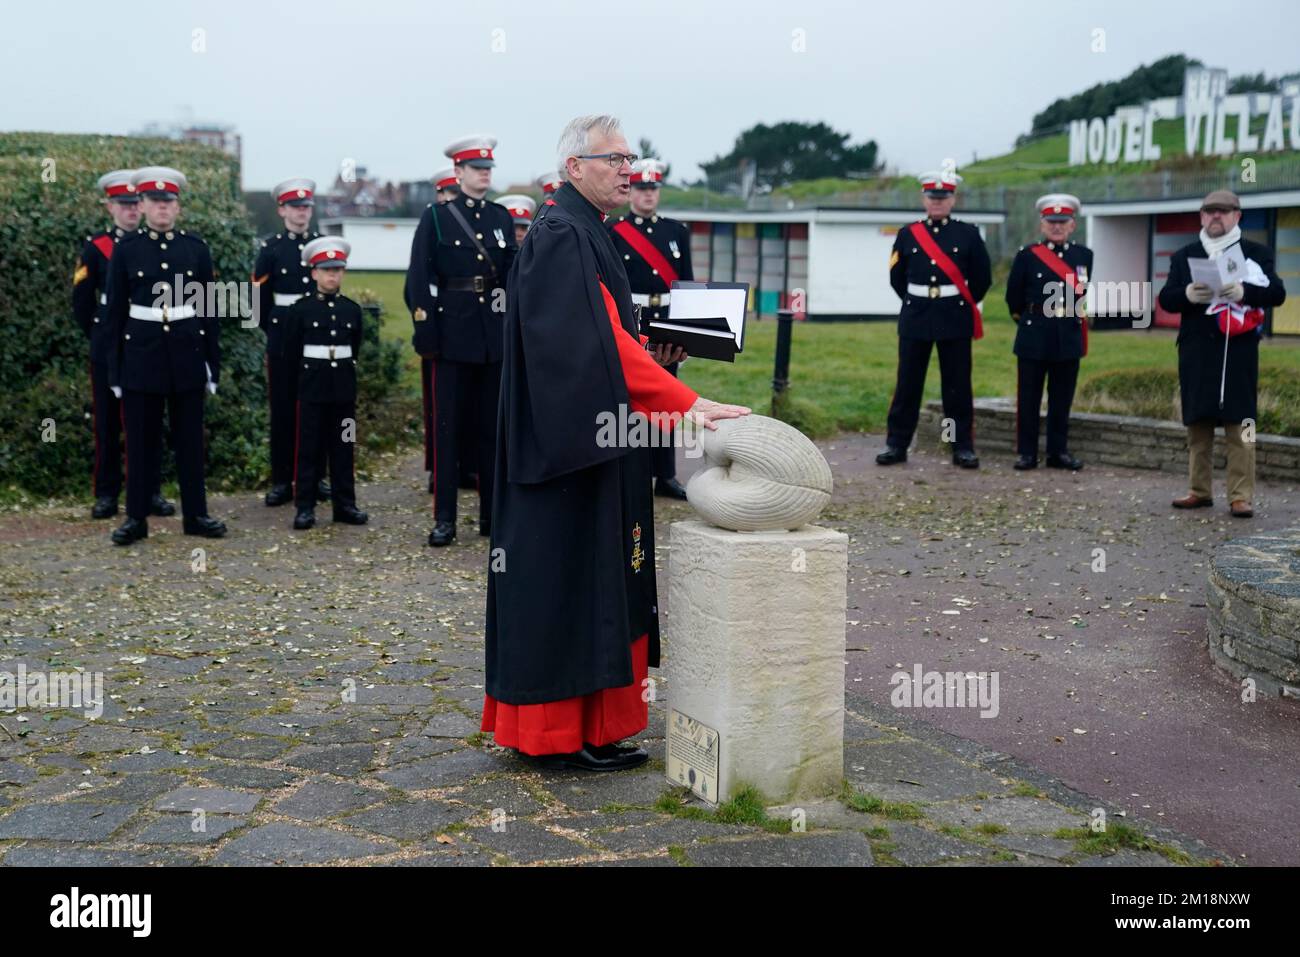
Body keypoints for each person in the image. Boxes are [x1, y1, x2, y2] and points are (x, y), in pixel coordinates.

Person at [481, 114, 749, 772]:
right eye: (613, 158)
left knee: (600, 583)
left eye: (631, 157)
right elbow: (586, 350)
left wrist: (659, 351)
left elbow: (610, 340)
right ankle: (559, 734)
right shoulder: (560, 234)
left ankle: (598, 727)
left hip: (599, 442)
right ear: (574, 167)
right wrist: (685, 403)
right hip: (570, 457)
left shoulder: (584, 228)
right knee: (569, 587)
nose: (627, 168)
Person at [404, 135, 516, 547]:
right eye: (475, 168)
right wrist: (426, 331)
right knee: (448, 429)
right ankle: (445, 519)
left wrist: (510, 326)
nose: (484, 174)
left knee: (492, 430)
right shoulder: (436, 217)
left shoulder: (502, 217)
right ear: (458, 173)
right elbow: (419, 278)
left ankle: (491, 516)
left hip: (492, 337)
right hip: (451, 335)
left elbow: (509, 275)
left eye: (488, 168)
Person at [104, 166, 226, 545]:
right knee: (141, 442)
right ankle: (136, 519)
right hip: (142, 354)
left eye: (168, 201)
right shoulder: (125, 250)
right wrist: (115, 369)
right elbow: (113, 315)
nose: (162, 208)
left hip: (187, 353)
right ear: (140, 205)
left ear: (178, 206)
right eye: (154, 201)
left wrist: (211, 363)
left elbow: (210, 309)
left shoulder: (196, 248)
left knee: (191, 440)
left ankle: (196, 514)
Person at [1159, 189, 1286, 518]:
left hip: (1239, 352)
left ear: (1236, 216)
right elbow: (1167, 298)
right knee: (1197, 424)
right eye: (1209, 211)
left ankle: (1240, 495)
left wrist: (1246, 291)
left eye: (1223, 211)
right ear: (1201, 216)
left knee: (1241, 424)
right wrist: (1187, 293)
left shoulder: (1255, 253)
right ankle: (1198, 490)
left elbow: (1277, 293)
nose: (1216, 216)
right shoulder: (1184, 255)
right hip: (1197, 351)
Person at [72, 169, 173, 520]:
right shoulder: (96, 247)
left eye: (135, 204)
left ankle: (150, 491)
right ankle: (107, 493)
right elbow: (82, 302)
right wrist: (102, 337)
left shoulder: (158, 245)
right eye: (123, 204)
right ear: (110, 207)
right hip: (108, 345)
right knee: (107, 423)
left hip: (147, 345)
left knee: (149, 423)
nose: (130, 211)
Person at [877, 169, 991, 469]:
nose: (937, 202)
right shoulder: (907, 234)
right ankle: (897, 444)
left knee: (956, 388)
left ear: (952, 199)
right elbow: (896, 278)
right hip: (916, 316)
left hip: (954, 317)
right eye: (932, 197)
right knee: (907, 385)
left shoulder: (968, 234)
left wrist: (954, 301)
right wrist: (918, 299)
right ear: (923, 199)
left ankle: (959, 446)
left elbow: (982, 279)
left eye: (943, 197)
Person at [607, 157, 694, 499]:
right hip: (635, 318)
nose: (647, 195)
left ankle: (667, 474)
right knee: (637, 395)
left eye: (653, 189)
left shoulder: (676, 232)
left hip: (668, 317)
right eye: (642, 188)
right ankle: (636, 470)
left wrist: (687, 328)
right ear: (632, 192)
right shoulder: (614, 232)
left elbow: (685, 283)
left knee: (669, 394)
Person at [252, 177, 328, 507]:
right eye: (295, 207)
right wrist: (276, 332)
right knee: (283, 410)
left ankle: (316, 477)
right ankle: (282, 480)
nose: (302, 212)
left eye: (306, 206)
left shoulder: (324, 247)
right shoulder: (271, 250)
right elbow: (258, 303)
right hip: (283, 338)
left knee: (319, 410)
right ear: (282, 209)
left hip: (317, 337)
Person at [284, 238, 368, 530]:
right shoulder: (300, 310)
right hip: (312, 388)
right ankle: (304, 507)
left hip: (343, 389)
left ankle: (345, 505)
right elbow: (291, 352)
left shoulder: (352, 310)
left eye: (337, 269)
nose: (332, 275)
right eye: (326, 270)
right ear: (314, 273)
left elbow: (354, 348)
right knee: (309, 448)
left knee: (345, 446)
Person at [1005, 193, 1091, 470]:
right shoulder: (1027, 256)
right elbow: (1013, 298)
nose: (1056, 226)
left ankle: (1058, 452)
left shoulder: (1083, 256)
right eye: (1051, 221)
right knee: (1028, 397)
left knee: (1062, 398)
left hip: (1067, 333)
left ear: (1072, 225)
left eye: (1062, 221)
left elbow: (1080, 295)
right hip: (1034, 332)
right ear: (1042, 224)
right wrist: (1030, 319)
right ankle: (1027, 452)